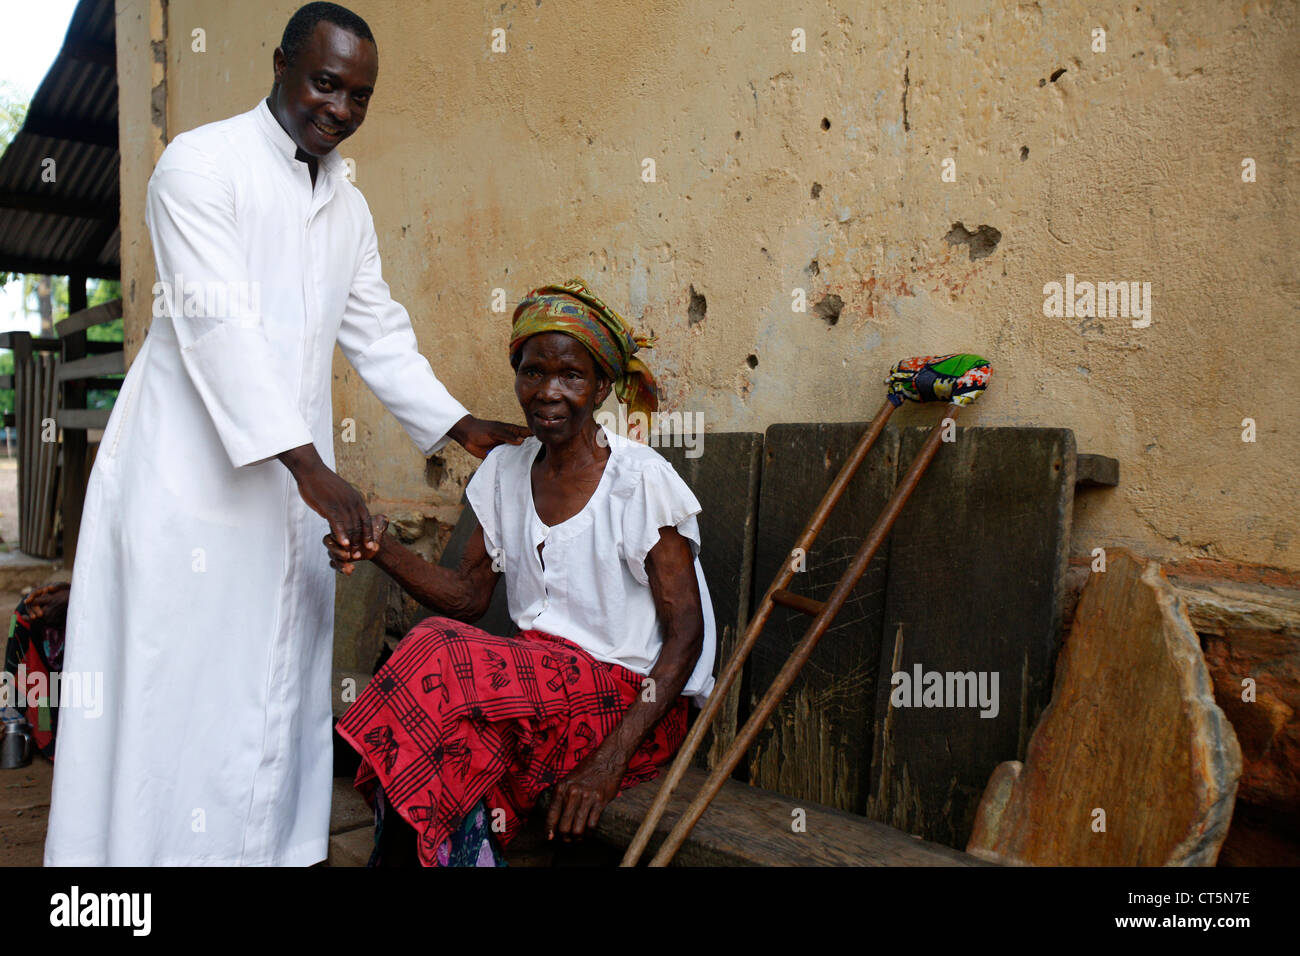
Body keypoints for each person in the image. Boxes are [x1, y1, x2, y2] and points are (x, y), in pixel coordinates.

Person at [44, 3, 527, 867]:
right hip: (188, 481)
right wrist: (310, 467)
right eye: (326, 82)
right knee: (177, 684)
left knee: (267, 683)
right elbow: (216, 330)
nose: (339, 108)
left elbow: (377, 329)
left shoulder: (346, 202)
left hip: (289, 487)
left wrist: (460, 425)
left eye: (359, 96)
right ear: (281, 64)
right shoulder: (199, 168)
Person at [332, 278, 716, 866]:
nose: (548, 393)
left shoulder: (639, 481)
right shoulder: (507, 471)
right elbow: (466, 597)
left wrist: (608, 764)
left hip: (627, 703)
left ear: (602, 386)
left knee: (435, 650)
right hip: (536, 691)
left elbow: (685, 635)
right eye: (533, 372)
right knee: (448, 737)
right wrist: (379, 548)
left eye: (571, 377)